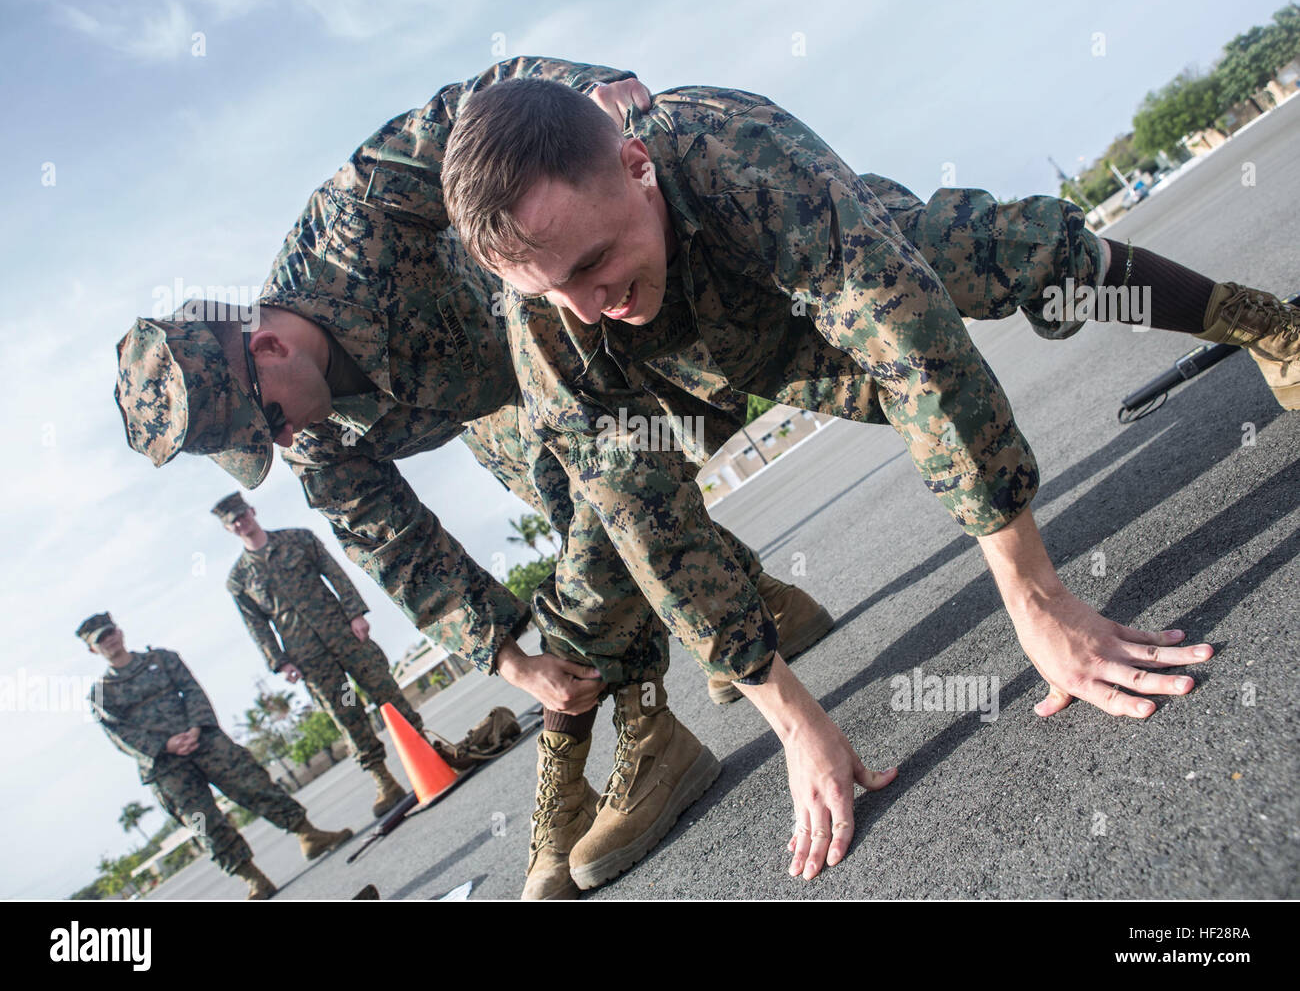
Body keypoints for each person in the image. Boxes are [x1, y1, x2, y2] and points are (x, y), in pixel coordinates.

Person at [439, 77, 1296, 880]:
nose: (587, 306)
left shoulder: (741, 156)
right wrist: (792, 719)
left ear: (636, 167)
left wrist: (1037, 600)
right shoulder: (557, 326)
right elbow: (647, 527)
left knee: (1016, 259)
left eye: (591, 265)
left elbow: (914, 353)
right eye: (553, 290)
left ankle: (1260, 325)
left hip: (807, 285)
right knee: (616, 505)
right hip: (684, 381)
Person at [111, 57, 831, 898]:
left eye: (268, 421)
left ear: (266, 348)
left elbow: (479, 104)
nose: (285, 439)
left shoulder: (351, 218)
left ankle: (654, 734)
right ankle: (760, 607)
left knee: (596, 499)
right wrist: (507, 660)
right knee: (583, 517)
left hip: (565, 313)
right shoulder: (316, 443)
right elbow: (396, 546)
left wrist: (588, 96)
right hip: (493, 406)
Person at [80, 612, 352, 899]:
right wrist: (166, 745)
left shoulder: (162, 659)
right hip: (165, 765)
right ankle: (253, 879)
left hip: (203, 738)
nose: (108, 639)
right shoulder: (100, 694)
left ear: (119, 631)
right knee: (202, 821)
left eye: (110, 632)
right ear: (92, 649)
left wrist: (196, 727)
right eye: (100, 639)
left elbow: (191, 689)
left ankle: (308, 835)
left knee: (254, 784)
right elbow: (121, 736)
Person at [214, 491, 420, 817]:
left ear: (252, 510)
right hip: (307, 655)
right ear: (228, 529)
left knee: (385, 690)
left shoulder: (298, 539)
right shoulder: (239, 579)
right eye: (233, 521)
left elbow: (335, 574)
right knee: (346, 715)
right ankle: (384, 781)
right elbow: (256, 626)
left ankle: (425, 750)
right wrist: (280, 662)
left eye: (243, 514)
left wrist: (355, 613)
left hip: (344, 632)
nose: (241, 522)